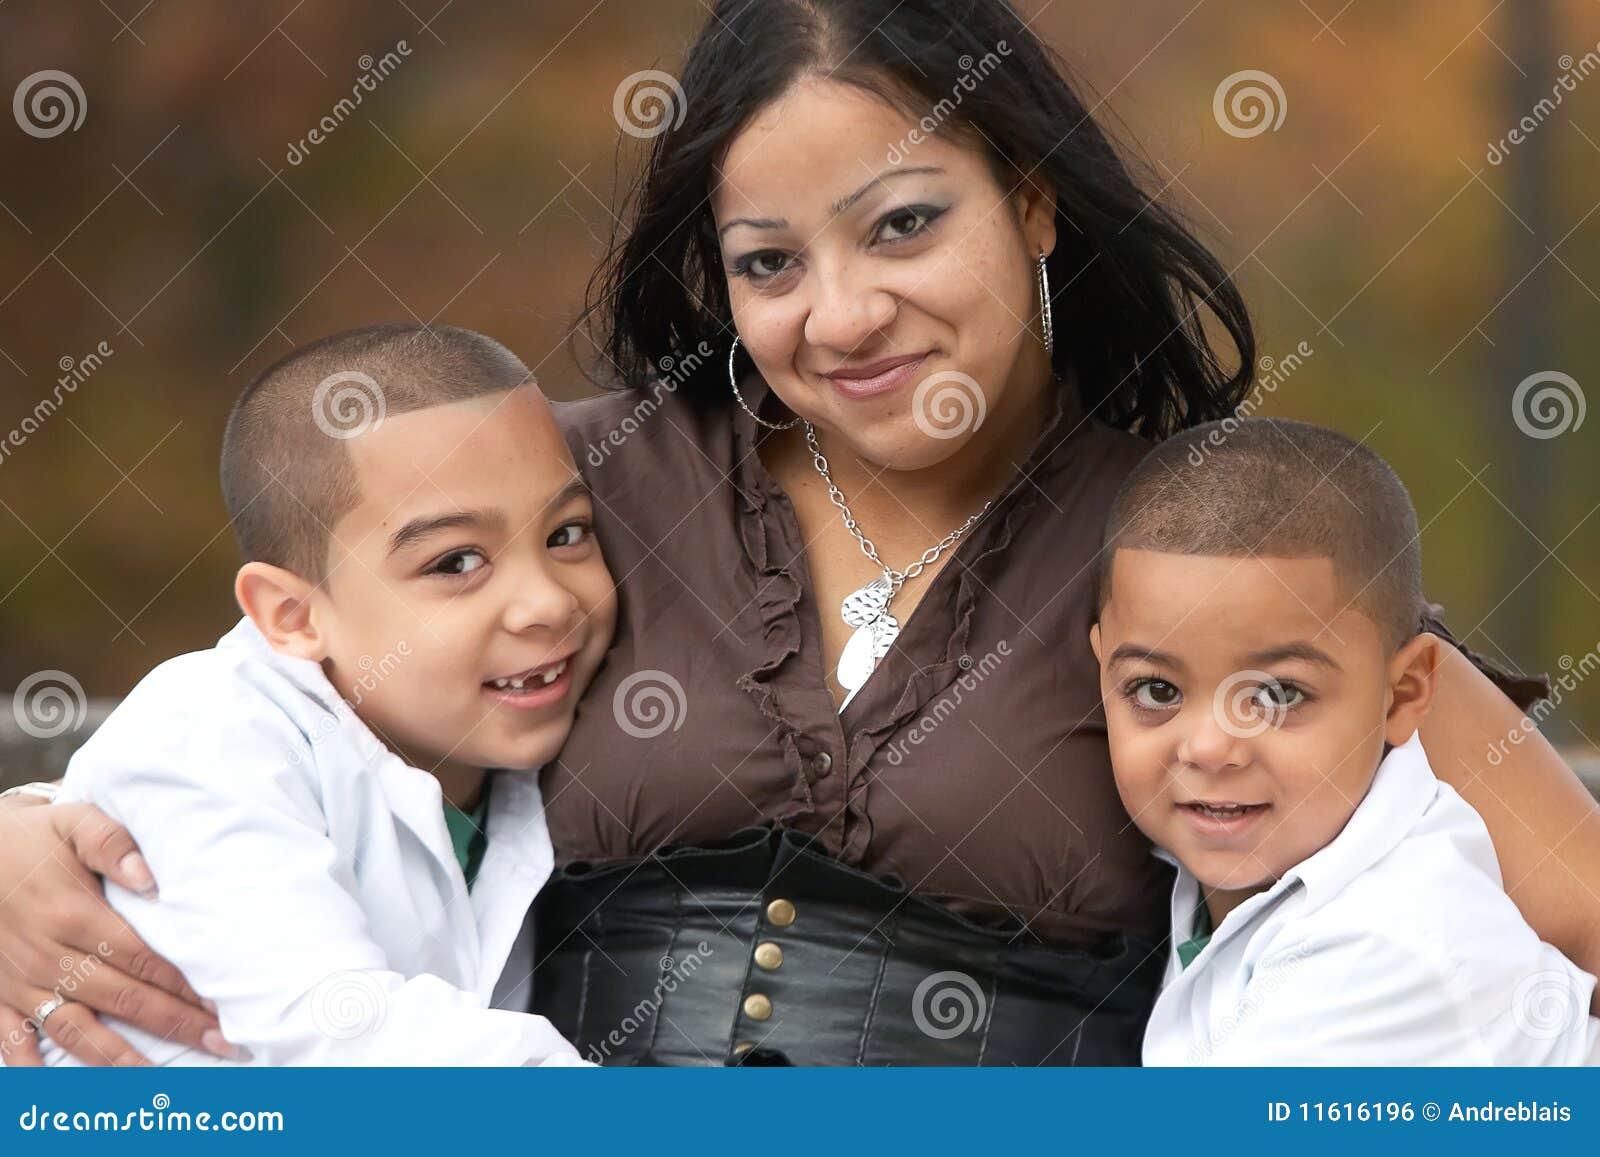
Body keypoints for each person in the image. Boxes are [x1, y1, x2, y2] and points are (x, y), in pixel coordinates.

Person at [3, 0, 1597, 1067]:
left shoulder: (1217, 552)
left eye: (906, 224)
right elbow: (261, 710)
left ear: (1031, 199)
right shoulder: (568, 500)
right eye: (770, 264)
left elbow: (1569, 905)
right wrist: (22, 829)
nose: (844, 315)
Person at [24, 325, 614, 1065]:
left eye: (567, 533)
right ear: (293, 616)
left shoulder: (511, 761)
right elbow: (338, 1035)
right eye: (457, 560)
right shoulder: (209, 731)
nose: (547, 604)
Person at [1092, 418, 1600, 1065]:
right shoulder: (1260, 872)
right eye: (1157, 690)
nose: (1211, 747)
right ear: (1100, 667)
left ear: (1407, 692)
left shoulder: (1389, 948)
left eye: (1277, 696)